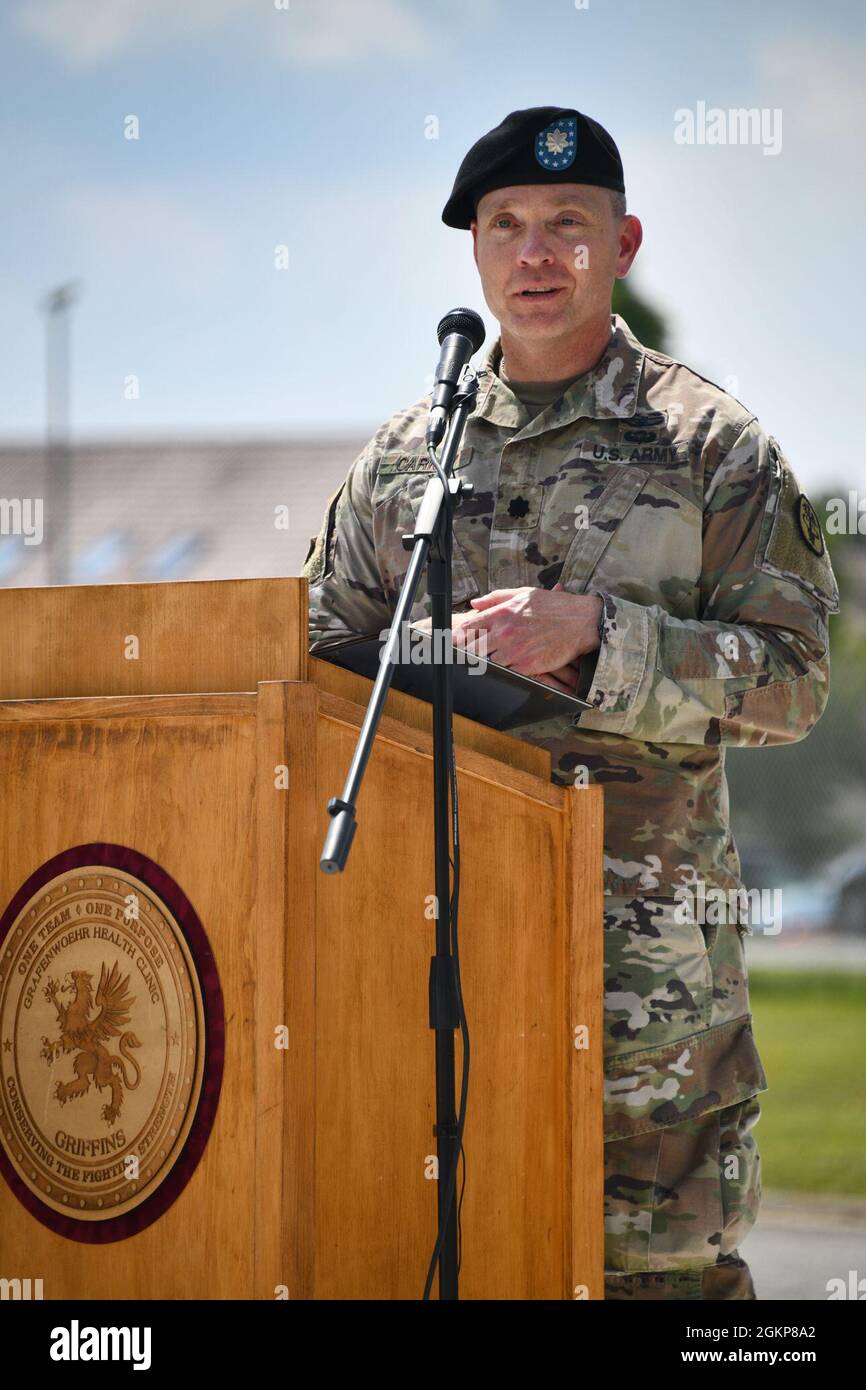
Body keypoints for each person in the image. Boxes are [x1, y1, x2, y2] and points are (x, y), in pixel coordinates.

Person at [302, 106, 840, 1299]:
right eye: (505, 227)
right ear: (476, 254)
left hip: (640, 981)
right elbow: (316, 671)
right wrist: (445, 651)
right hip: (433, 963)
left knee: (661, 1280)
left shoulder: (713, 448)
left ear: (623, 244)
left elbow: (794, 677)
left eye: (565, 225)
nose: (533, 253)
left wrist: (604, 640)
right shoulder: (402, 465)